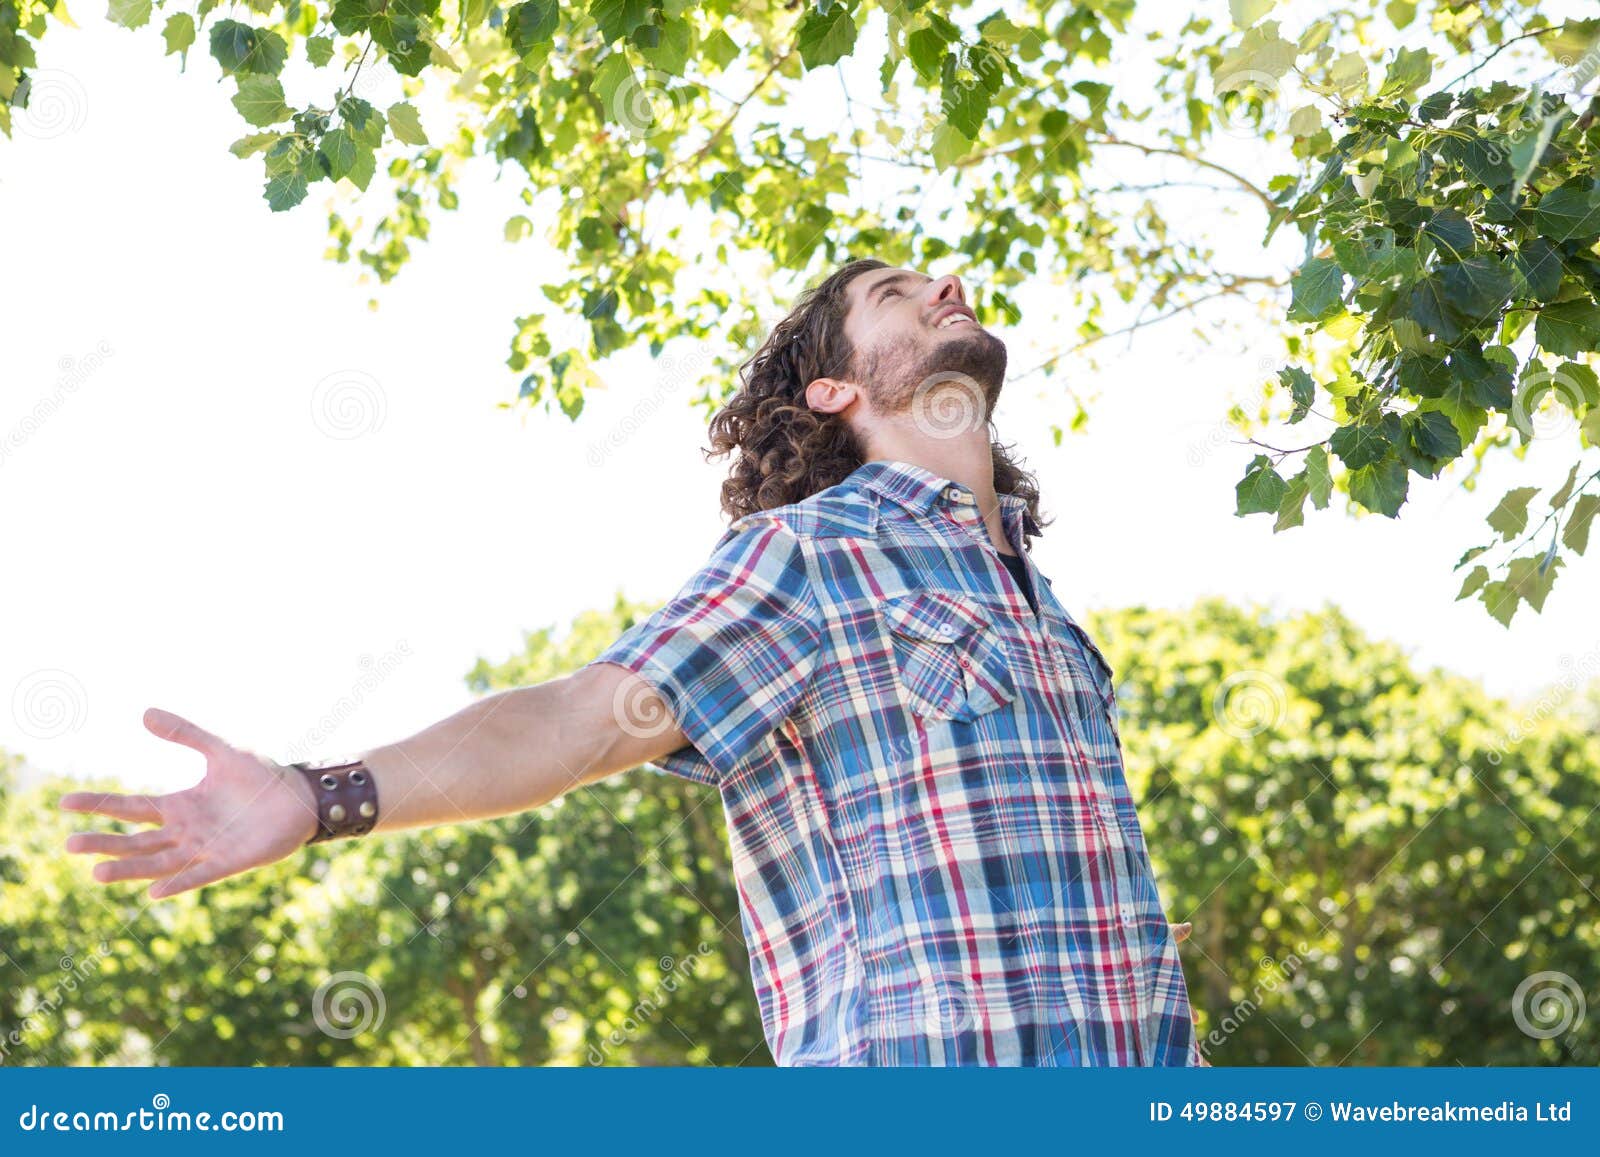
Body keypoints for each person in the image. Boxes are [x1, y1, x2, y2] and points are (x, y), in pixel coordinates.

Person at [60, 258, 1206, 1066]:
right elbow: (577, 720)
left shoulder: (1040, 608)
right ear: (834, 388)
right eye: (897, 294)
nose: (944, 284)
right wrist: (317, 795)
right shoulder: (812, 554)